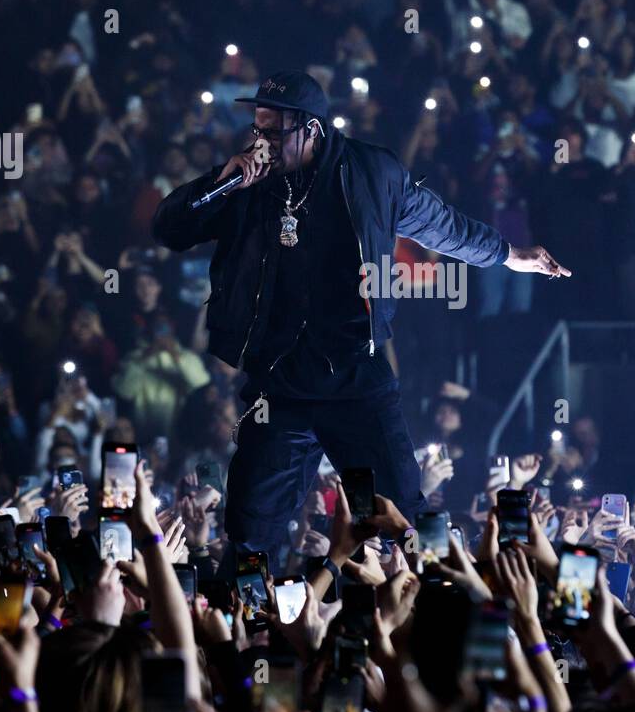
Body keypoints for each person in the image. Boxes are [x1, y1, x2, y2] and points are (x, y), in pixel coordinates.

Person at [153, 70, 570, 569]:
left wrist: (508, 254)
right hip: (279, 383)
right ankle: (249, 632)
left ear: (311, 128)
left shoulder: (371, 172)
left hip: (354, 374)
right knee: (249, 531)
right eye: (256, 128)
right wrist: (222, 181)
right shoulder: (249, 185)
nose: (260, 141)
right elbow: (170, 228)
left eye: (273, 130)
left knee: (406, 512)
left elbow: (442, 226)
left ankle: (439, 606)